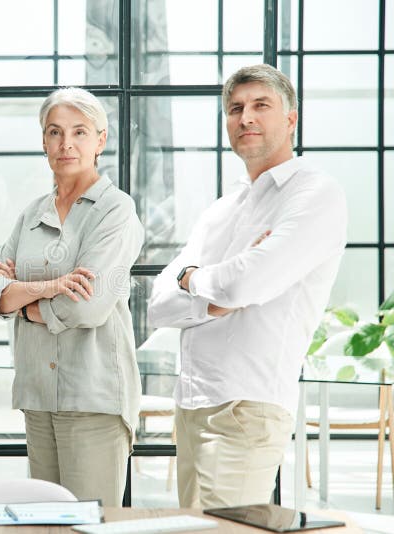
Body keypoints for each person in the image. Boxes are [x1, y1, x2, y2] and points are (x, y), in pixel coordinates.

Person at [147, 64, 347, 508]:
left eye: (261, 105)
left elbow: (242, 285)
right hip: (192, 404)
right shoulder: (223, 208)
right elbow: (158, 306)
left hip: (246, 407)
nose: (246, 117)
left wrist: (194, 278)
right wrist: (214, 299)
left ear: (291, 119)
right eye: (235, 108)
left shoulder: (314, 193)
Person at [0, 87, 145, 506]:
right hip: (37, 394)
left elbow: (87, 306)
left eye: (79, 132)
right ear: (44, 141)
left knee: (87, 524)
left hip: (93, 396)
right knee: (46, 523)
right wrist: (51, 287)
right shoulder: (32, 213)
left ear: (100, 140)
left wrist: (22, 304)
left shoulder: (115, 210)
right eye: (55, 132)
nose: (66, 143)